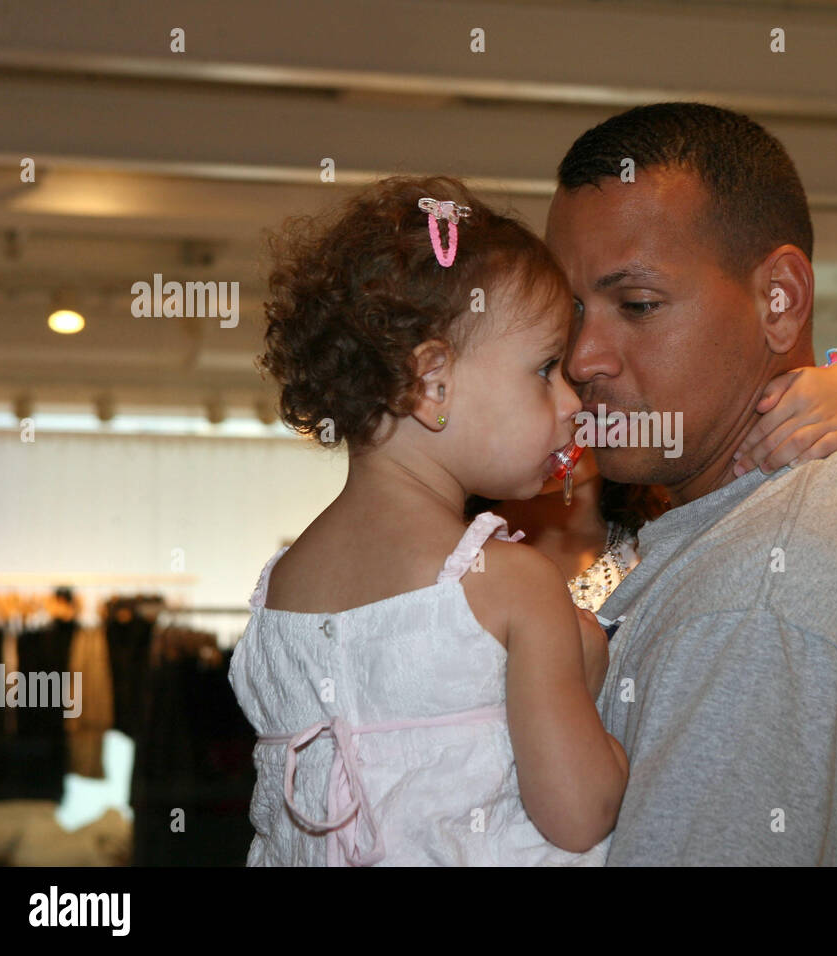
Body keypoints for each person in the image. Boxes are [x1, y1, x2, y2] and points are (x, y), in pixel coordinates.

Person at [544, 102, 837, 865]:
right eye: (572, 310)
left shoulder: (756, 607)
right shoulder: (742, 539)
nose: (583, 357)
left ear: (780, 301)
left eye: (637, 305)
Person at [229, 175, 627, 865]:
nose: (572, 402)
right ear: (431, 383)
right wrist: (585, 694)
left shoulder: (278, 589)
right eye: (544, 370)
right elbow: (580, 814)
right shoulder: (509, 583)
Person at [481, 350, 837, 613]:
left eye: (588, 407)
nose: (568, 421)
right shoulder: (450, 544)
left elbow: (834, 468)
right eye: (541, 388)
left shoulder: (672, 536)